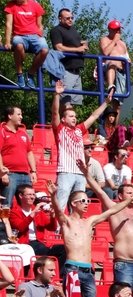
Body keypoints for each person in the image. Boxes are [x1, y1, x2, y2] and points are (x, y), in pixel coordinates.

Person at [46, 173, 133, 297]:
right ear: (74, 204)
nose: (87, 204)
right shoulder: (66, 222)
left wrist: (130, 199)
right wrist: (52, 195)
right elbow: (58, 212)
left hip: (88, 271)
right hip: (72, 267)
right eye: (83, 201)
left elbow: (112, 210)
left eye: (87, 201)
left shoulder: (89, 222)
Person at [51, 80, 114, 210]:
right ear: (64, 119)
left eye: (75, 116)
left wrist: (106, 103)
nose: (74, 118)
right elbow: (55, 113)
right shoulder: (60, 129)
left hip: (80, 174)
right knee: (61, 203)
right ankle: (57, 229)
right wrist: (57, 95)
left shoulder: (79, 129)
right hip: (65, 171)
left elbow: (94, 116)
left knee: (79, 206)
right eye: (70, 116)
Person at [4, 0, 48, 88]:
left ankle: (30, 74)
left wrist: (39, 36)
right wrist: (7, 42)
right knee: (18, 45)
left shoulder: (35, 5)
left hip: (34, 36)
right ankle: (19, 74)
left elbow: (40, 25)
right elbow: (9, 24)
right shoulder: (10, 5)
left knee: (45, 50)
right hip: (19, 36)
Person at [0, 106, 37, 207]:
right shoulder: (2, 131)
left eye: (21, 114)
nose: (21, 117)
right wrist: (2, 173)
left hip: (25, 175)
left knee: (28, 205)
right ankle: (3, 223)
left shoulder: (23, 133)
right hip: (10, 174)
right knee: (6, 204)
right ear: (10, 116)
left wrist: (33, 171)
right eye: (19, 114)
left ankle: (27, 223)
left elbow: (29, 152)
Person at [49, 8, 87, 106]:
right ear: (60, 18)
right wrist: (78, 49)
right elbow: (58, 47)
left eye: (72, 18)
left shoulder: (73, 30)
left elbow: (75, 43)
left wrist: (83, 44)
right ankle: (59, 121)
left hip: (76, 71)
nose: (70, 20)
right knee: (64, 102)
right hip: (65, 71)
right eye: (67, 18)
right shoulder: (56, 30)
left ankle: (67, 121)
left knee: (74, 104)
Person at [99, 20, 129, 94]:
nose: (118, 31)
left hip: (121, 71)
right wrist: (114, 40)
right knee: (112, 62)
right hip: (108, 68)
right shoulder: (104, 40)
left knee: (118, 101)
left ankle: (116, 101)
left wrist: (128, 62)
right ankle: (110, 85)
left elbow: (128, 58)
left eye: (119, 29)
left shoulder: (123, 43)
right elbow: (105, 53)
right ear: (110, 30)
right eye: (116, 29)